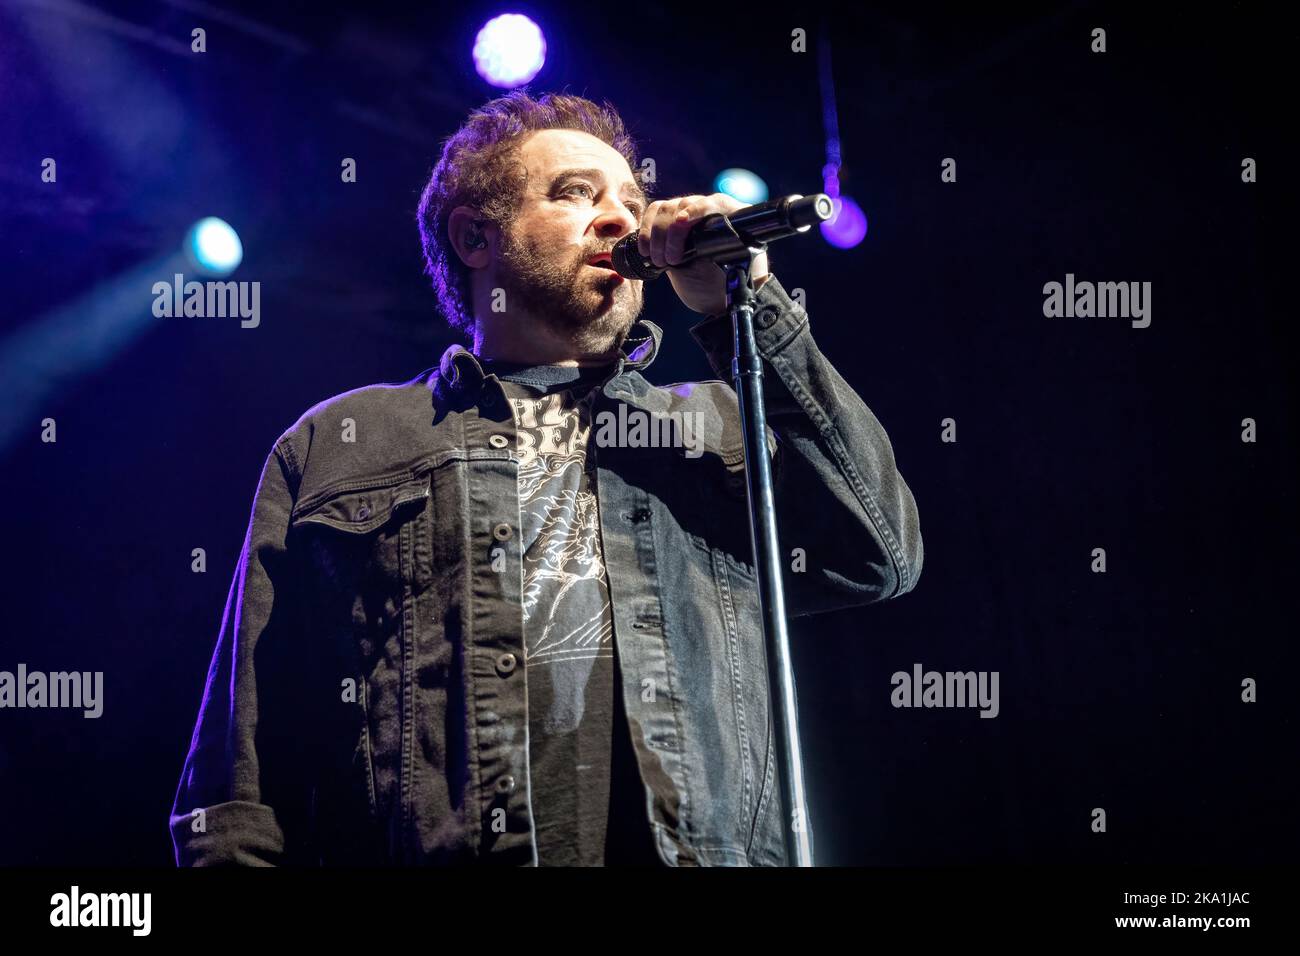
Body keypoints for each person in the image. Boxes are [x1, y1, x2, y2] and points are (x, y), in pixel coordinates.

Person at [169, 89, 923, 867]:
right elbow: (238, 780)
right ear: (474, 237)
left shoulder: (717, 424)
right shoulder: (340, 444)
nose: (622, 221)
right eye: (575, 194)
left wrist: (747, 312)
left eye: (633, 202)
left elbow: (878, 555)